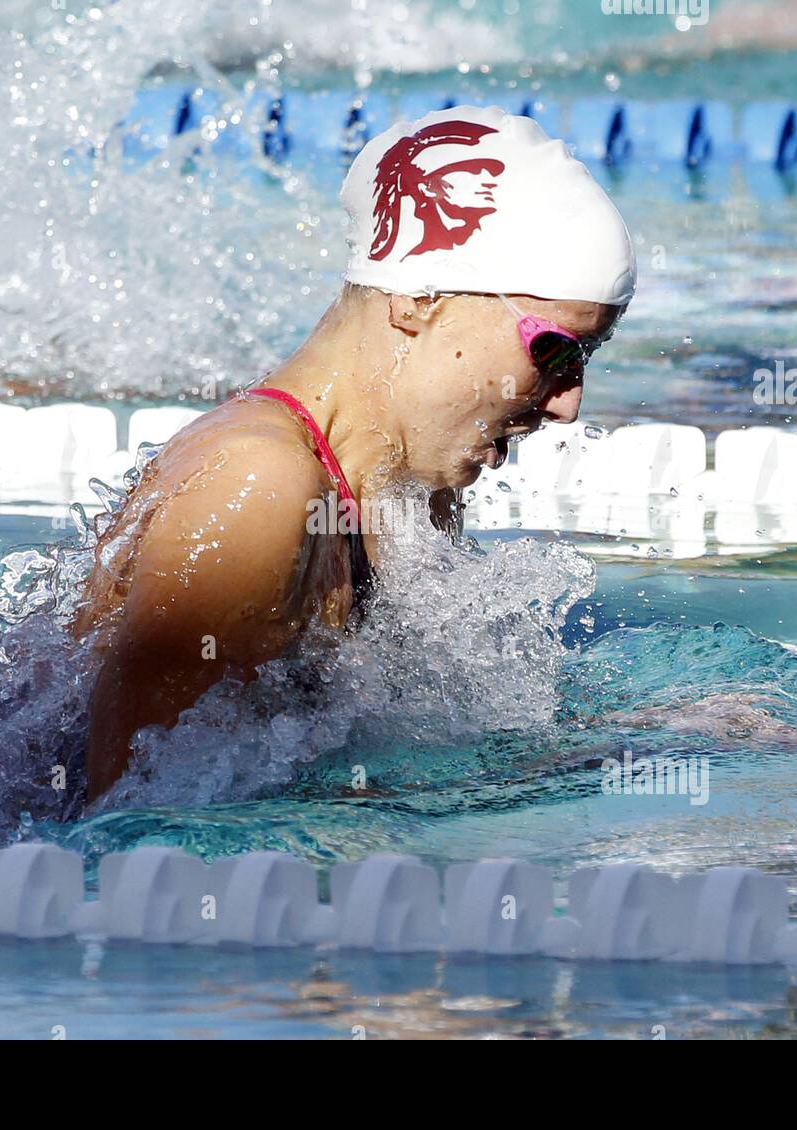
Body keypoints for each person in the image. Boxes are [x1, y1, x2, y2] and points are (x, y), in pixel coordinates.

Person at [72, 105, 636, 800]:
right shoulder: (259, 488)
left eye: (589, 356)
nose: (568, 402)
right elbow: (125, 827)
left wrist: (642, 739)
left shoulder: (411, 494)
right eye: (553, 350)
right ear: (416, 298)